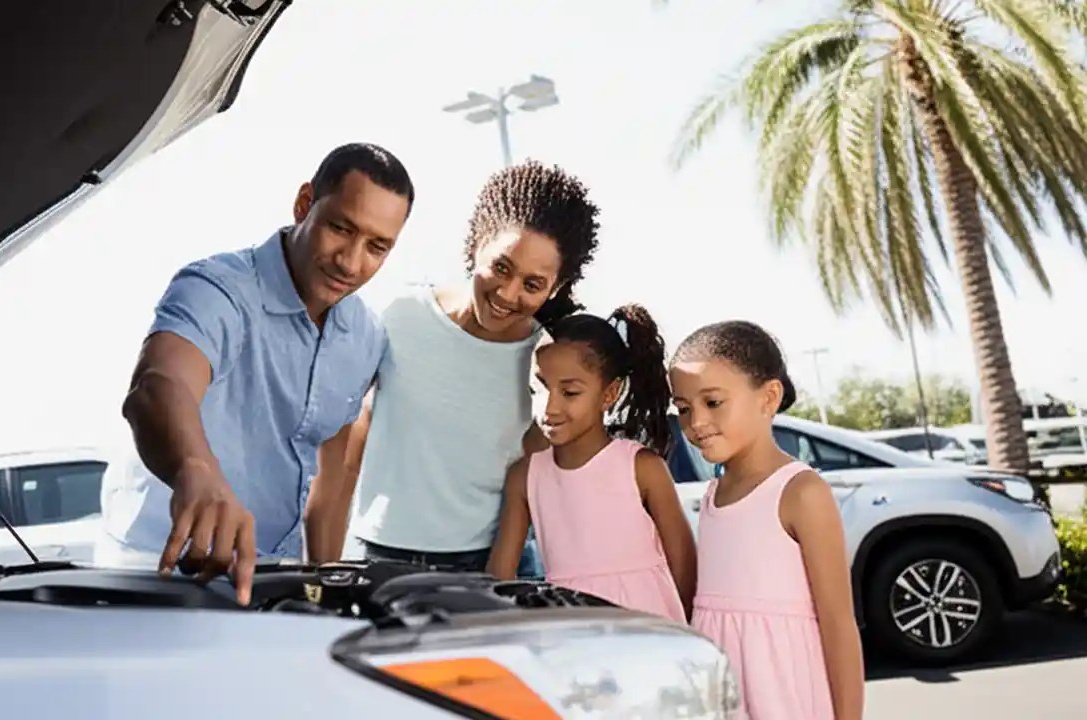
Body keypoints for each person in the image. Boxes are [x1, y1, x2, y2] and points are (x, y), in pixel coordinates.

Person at [95, 143, 415, 604]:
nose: (350, 261)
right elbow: (158, 386)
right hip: (156, 573)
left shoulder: (366, 336)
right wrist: (195, 470)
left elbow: (331, 481)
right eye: (340, 228)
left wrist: (326, 588)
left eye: (376, 247)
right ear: (304, 204)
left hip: (269, 582)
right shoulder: (216, 289)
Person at [306, 159, 601, 573]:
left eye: (532, 284)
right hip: (377, 557)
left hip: (487, 566)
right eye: (501, 267)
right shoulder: (401, 316)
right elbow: (343, 456)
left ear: (557, 287)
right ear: (478, 243)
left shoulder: (546, 362)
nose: (507, 293)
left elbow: (535, 486)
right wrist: (322, 571)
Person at [669, 320, 864, 720]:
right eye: (684, 409)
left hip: (783, 697)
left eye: (713, 402)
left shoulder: (800, 492)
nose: (696, 422)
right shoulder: (713, 494)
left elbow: (839, 623)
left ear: (768, 397)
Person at [486, 304, 696, 622]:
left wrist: (683, 634)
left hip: (647, 628)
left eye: (569, 392)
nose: (549, 407)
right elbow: (500, 577)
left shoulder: (641, 467)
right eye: (539, 388)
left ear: (609, 393)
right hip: (573, 630)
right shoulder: (525, 476)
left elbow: (683, 563)